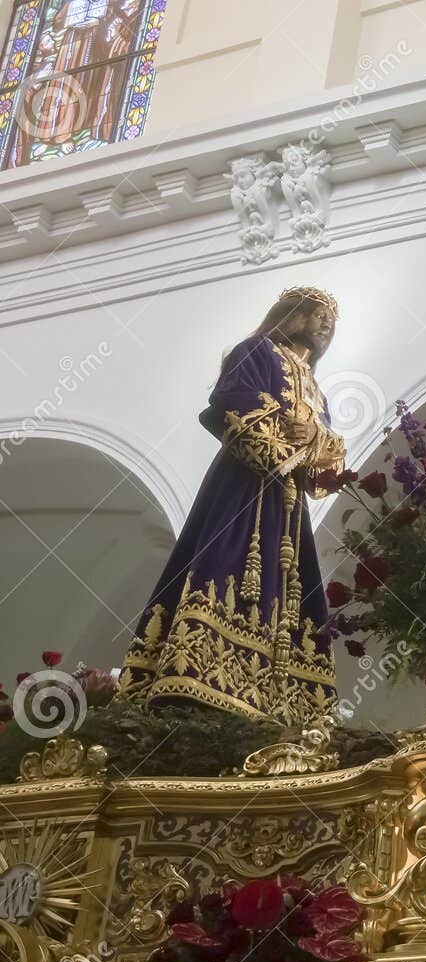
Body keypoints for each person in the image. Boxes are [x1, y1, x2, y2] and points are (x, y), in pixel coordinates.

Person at [118, 288, 346, 728]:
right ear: (291, 315)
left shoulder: (316, 388)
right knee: (225, 563)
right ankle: (199, 677)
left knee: (291, 593)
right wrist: (288, 438)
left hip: (289, 506)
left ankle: (278, 698)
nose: (324, 326)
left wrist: (313, 440)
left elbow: (332, 454)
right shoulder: (257, 350)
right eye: (317, 316)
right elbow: (231, 402)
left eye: (330, 323)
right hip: (245, 487)